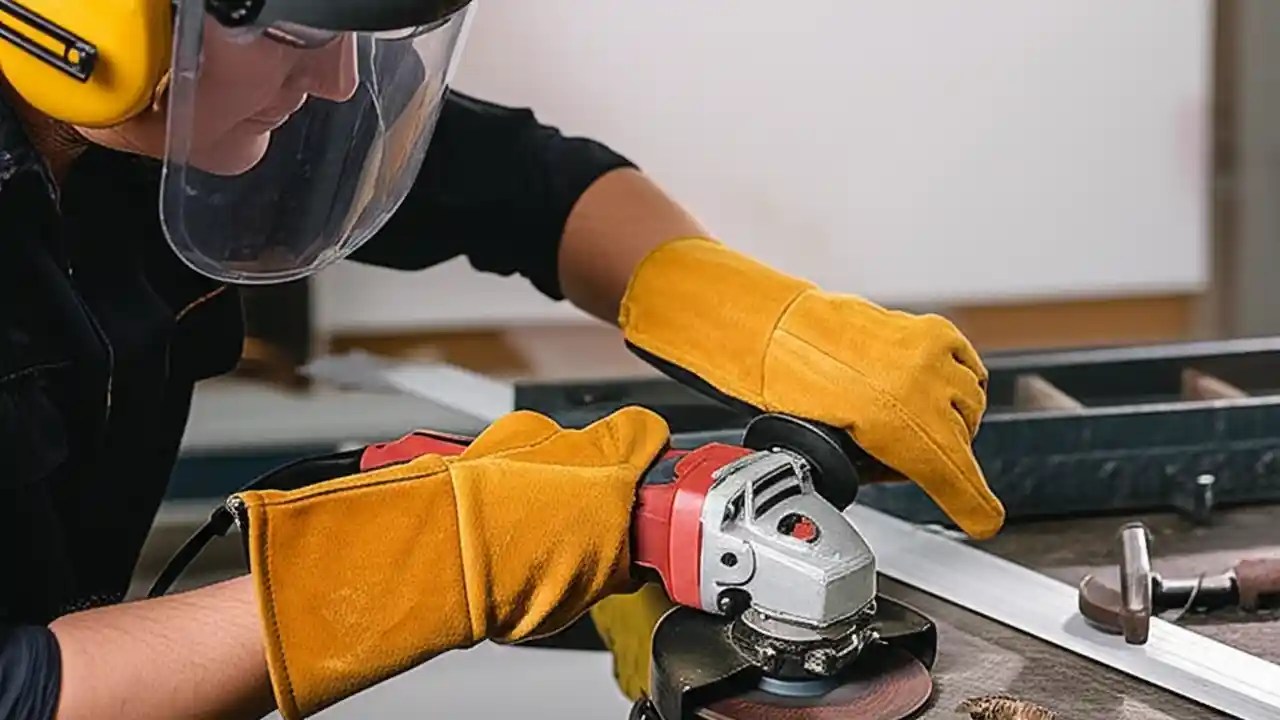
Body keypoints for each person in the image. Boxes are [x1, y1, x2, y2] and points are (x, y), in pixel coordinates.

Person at [0, 1, 1005, 718]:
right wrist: (448, 557)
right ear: (83, 19)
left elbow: (517, 182)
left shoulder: (166, 98)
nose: (339, 80)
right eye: (301, 36)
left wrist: (747, 313)